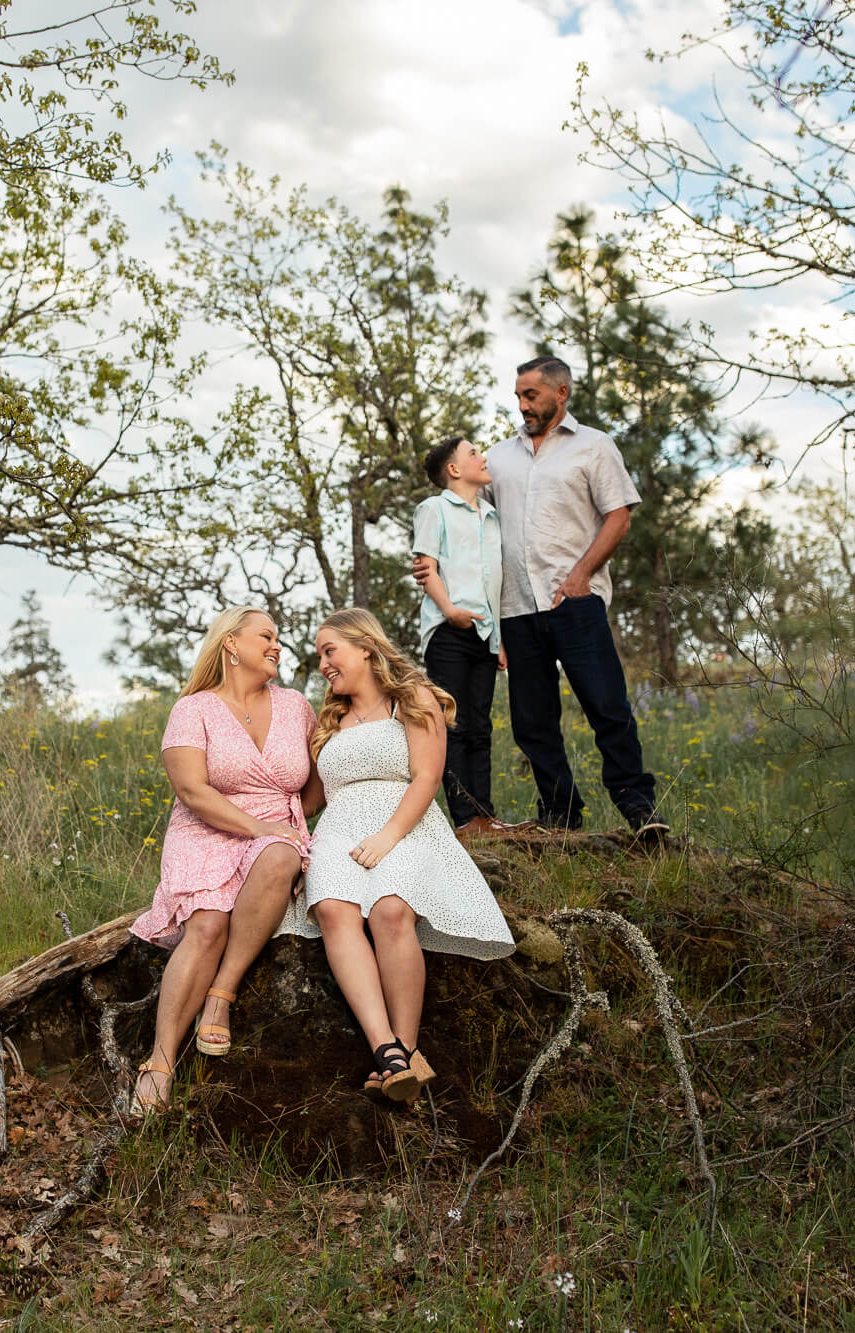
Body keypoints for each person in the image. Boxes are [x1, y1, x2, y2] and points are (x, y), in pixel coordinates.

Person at [417, 356, 667, 837]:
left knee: (607, 706)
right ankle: (560, 813)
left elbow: (619, 517)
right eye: (518, 396)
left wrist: (581, 575)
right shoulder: (498, 458)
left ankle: (639, 809)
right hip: (514, 611)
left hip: (575, 602)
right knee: (533, 722)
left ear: (561, 393)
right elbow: (469, 525)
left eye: (531, 395)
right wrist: (431, 563)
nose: (522, 405)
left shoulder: (595, 447)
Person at [285, 608, 514, 1103]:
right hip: (340, 828)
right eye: (320, 654)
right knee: (332, 911)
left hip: (405, 820)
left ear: (365, 647)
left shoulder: (414, 699)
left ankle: (409, 1050)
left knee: (391, 909)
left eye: (331, 650)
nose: (323, 663)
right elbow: (312, 799)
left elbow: (428, 778)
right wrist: (285, 844)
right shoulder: (330, 721)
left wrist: (389, 836)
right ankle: (385, 1050)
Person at [129, 607, 321, 1112]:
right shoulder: (193, 709)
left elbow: (318, 782)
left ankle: (222, 994)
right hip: (207, 829)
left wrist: (288, 824)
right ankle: (161, 1061)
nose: (277, 645)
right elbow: (192, 790)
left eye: (279, 637)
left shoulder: (298, 706)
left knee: (282, 856)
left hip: (275, 832)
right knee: (208, 925)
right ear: (231, 644)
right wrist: (258, 825)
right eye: (267, 636)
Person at [411, 436, 528, 840]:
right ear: (454, 470)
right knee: (455, 724)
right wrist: (450, 611)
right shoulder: (435, 508)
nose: (484, 457)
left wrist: (498, 639)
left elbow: (492, 579)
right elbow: (427, 565)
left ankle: (486, 817)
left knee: (481, 725)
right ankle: (465, 819)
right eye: (474, 453)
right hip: (449, 630)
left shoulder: (491, 516)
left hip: (485, 634)